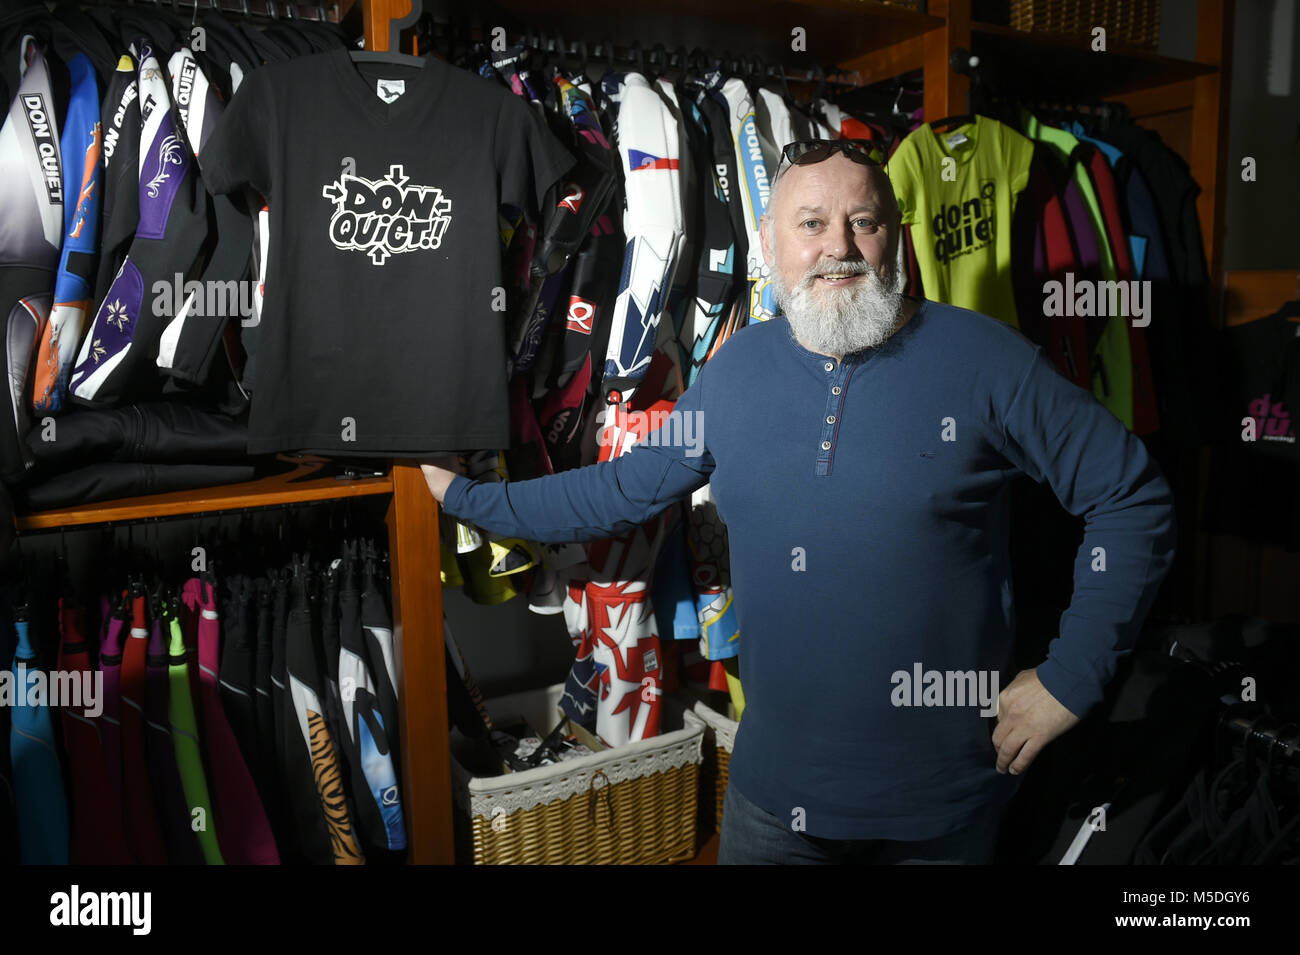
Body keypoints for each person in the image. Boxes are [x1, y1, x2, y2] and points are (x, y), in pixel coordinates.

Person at [421, 139, 1177, 865]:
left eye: (864, 222)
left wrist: (1071, 679)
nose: (837, 246)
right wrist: (468, 497)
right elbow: (618, 489)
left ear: (897, 237)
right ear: (769, 245)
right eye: (811, 223)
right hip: (771, 808)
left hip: (942, 812)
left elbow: (1131, 495)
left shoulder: (987, 360)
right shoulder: (736, 371)